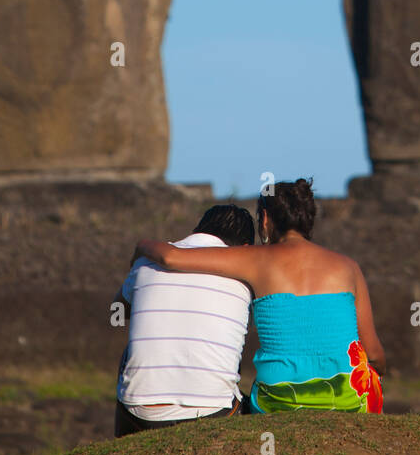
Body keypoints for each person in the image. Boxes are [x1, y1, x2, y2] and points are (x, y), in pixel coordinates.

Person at [133, 178, 385, 415]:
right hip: (347, 398)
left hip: (277, 400)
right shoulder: (348, 267)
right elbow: (374, 353)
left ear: (265, 220)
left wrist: (142, 245)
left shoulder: (255, 259)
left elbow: (171, 258)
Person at [114, 203, 255, 437]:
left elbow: (117, 310)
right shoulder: (245, 273)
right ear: (246, 247)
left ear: (198, 229)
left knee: (129, 354)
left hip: (140, 416)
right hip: (214, 413)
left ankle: (120, 448)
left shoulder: (149, 259)